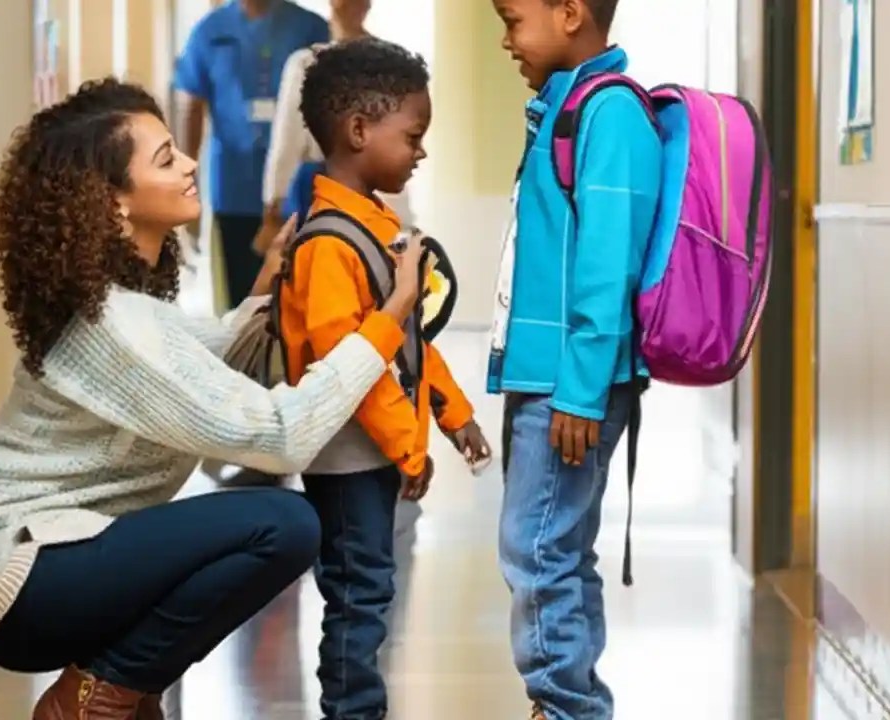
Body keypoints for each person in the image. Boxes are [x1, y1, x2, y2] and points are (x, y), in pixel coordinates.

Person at [0, 78, 426, 720]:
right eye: (167, 159)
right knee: (282, 525)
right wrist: (387, 321)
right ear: (112, 201)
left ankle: (122, 695)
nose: (192, 163)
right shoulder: (115, 325)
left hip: (45, 562)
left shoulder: (124, 308)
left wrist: (270, 286)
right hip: (20, 574)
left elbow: (205, 360)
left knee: (258, 526)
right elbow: (282, 436)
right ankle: (95, 699)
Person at [279, 39, 491, 720]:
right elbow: (353, 366)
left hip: (372, 453)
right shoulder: (329, 244)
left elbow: (407, 343)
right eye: (413, 136)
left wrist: (454, 415)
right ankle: (352, 712)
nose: (420, 152)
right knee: (357, 595)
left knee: (369, 589)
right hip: (345, 461)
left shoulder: (374, 228)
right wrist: (409, 446)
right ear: (358, 130)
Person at [486, 1, 662, 719]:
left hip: (569, 383)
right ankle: (571, 704)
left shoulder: (608, 113)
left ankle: (563, 706)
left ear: (568, 13)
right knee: (556, 546)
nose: (506, 41)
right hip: (546, 376)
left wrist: (581, 391)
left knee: (534, 546)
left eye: (513, 19)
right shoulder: (565, 106)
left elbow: (608, 263)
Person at [174, 0, 328, 307]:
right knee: (241, 296)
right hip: (234, 184)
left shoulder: (310, 27)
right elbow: (192, 107)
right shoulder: (210, 31)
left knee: (300, 295)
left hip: (301, 189)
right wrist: (185, 182)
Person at [261, 0, 414, 236]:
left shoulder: (391, 65)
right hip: (320, 195)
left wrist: (402, 222)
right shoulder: (305, 64)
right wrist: (274, 204)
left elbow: (397, 141)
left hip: (372, 196)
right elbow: (287, 142)